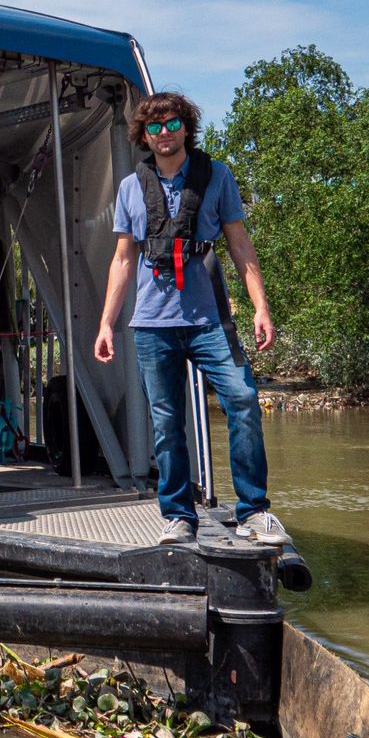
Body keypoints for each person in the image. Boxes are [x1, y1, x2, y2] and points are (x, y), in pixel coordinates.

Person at [91, 92, 289, 547]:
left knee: (241, 398)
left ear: (186, 127)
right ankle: (178, 516)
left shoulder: (217, 177)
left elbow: (239, 245)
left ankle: (254, 512)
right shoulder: (129, 188)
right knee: (166, 421)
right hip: (152, 324)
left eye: (172, 123)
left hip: (208, 319)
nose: (164, 133)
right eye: (154, 126)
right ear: (144, 135)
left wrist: (261, 307)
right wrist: (105, 324)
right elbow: (122, 260)